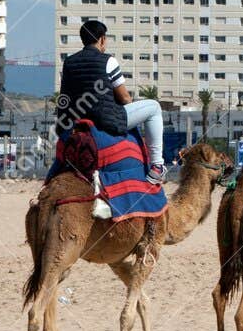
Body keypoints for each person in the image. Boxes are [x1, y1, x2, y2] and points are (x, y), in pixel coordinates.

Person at [57, 19, 166, 203]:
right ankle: (157, 166)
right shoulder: (108, 60)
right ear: (101, 39)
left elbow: (64, 98)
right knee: (154, 107)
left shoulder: (69, 62)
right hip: (107, 120)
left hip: (76, 120)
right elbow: (124, 98)